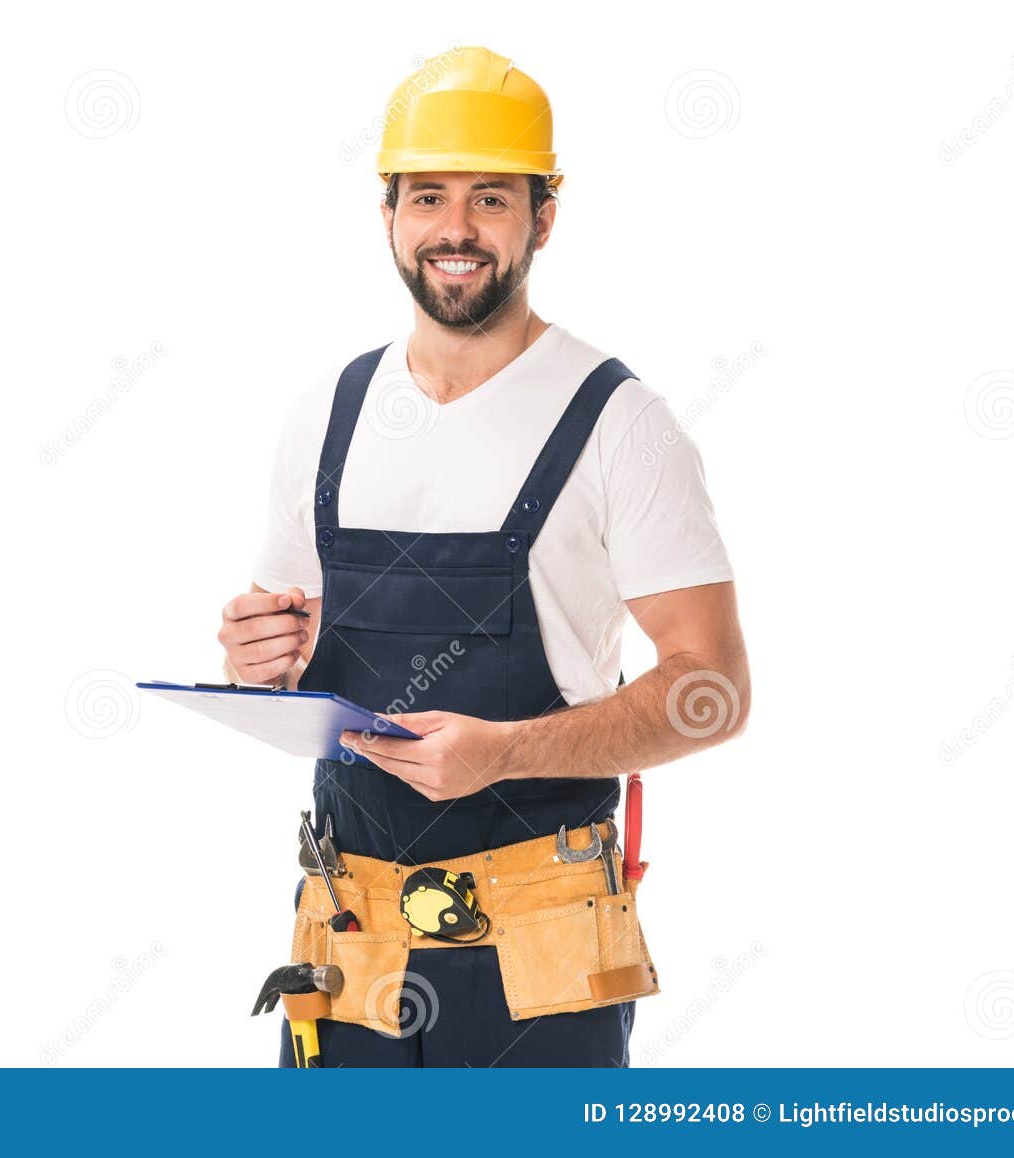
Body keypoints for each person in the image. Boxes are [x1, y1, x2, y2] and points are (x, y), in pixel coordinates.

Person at [217, 46, 751, 1068]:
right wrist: (262, 660)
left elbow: (714, 692)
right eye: (428, 196)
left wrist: (503, 753)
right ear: (388, 214)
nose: (455, 228)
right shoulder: (326, 415)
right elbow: (294, 649)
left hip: (540, 957)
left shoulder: (620, 425)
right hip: (349, 950)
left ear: (543, 218)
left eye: (490, 198)